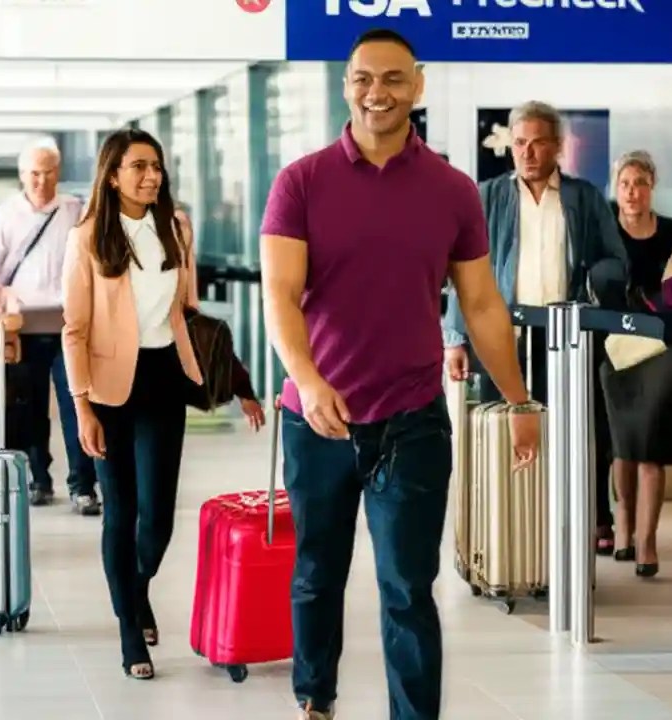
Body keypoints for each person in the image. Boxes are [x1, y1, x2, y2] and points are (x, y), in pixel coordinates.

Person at [260, 29, 537, 720]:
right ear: (346, 85)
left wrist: (519, 399)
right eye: (361, 79)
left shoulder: (451, 190)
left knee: (409, 588)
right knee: (318, 575)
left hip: (412, 416)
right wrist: (308, 377)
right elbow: (279, 299)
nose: (375, 93)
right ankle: (314, 701)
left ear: (416, 86)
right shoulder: (301, 182)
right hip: (317, 417)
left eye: (390, 79)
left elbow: (480, 304)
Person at [63, 128, 265, 681]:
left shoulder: (175, 227)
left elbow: (192, 314)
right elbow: (74, 328)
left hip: (164, 379)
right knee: (121, 512)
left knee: (156, 519)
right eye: (139, 167)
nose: (152, 176)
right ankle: (131, 629)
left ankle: (138, 587)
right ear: (112, 174)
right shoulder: (86, 239)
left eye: (156, 166)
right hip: (106, 388)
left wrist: (242, 382)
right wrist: (82, 406)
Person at [442, 100, 629, 557]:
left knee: (567, 439)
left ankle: (561, 551)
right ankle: (503, 546)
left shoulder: (584, 198)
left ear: (557, 147)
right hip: (502, 337)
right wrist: (456, 338)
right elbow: (463, 272)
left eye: (537, 142)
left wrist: (595, 281)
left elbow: (616, 261)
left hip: (566, 339)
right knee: (505, 438)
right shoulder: (487, 197)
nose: (527, 152)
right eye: (519, 142)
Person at [0, 141, 100, 514]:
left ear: (58, 173)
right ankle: (39, 478)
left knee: (76, 403)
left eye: (48, 172)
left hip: (69, 325)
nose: (41, 180)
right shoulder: (5, 215)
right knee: (28, 408)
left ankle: (83, 485)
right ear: (21, 176)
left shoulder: (75, 211)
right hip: (21, 327)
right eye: (34, 173)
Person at [600, 150, 672, 578]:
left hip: (662, 348)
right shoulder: (602, 228)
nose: (632, 192)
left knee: (652, 444)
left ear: (652, 185)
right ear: (615, 188)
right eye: (624, 183)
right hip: (617, 349)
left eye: (639, 182)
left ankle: (648, 542)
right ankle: (623, 529)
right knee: (624, 445)